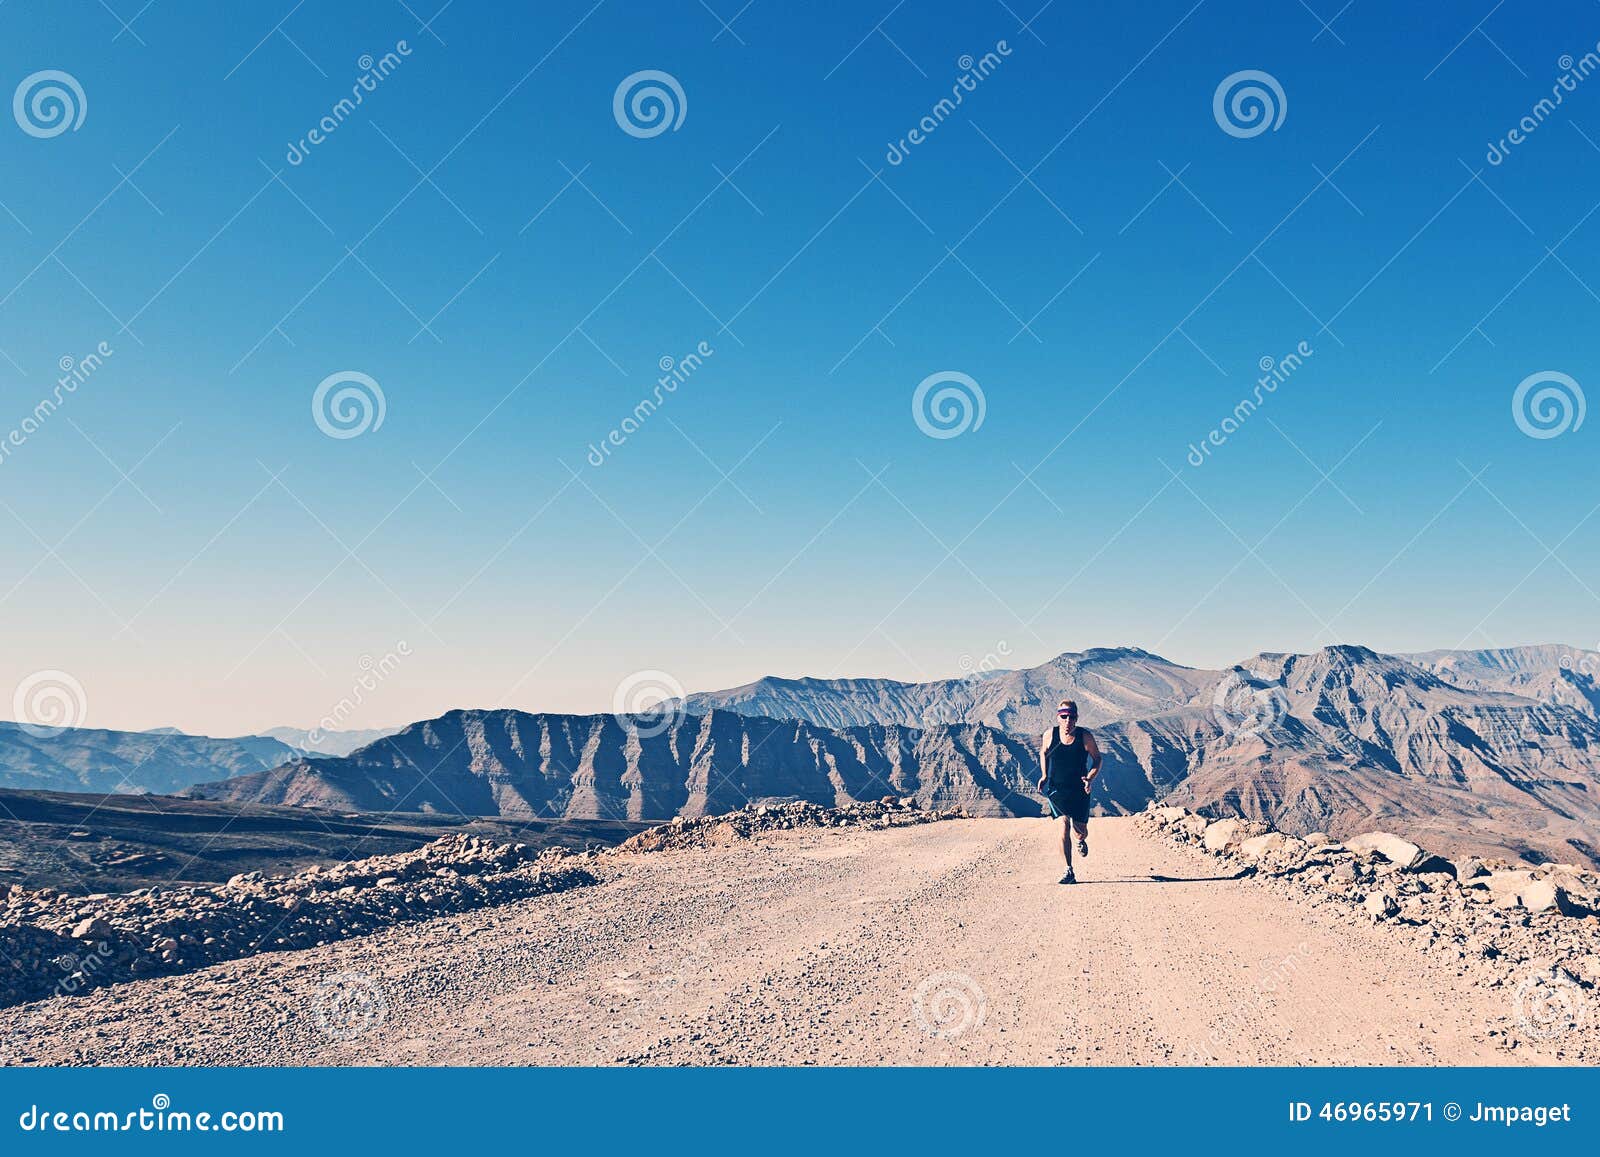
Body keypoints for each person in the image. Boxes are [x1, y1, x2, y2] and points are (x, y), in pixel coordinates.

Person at [1038, 698, 1101, 884]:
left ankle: (1081, 840)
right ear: (1058, 717)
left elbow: (1097, 759)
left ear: (1076, 718)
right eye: (1064, 716)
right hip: (1057, 789)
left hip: (1079, 790)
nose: (1067, 721)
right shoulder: (1050, 735)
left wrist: (1090, 777)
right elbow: (1043, 752)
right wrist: (1044, 775)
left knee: (1080, 831)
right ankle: (1068, 870)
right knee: (1063, 825)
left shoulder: (1085, 737)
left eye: (1071, 717)